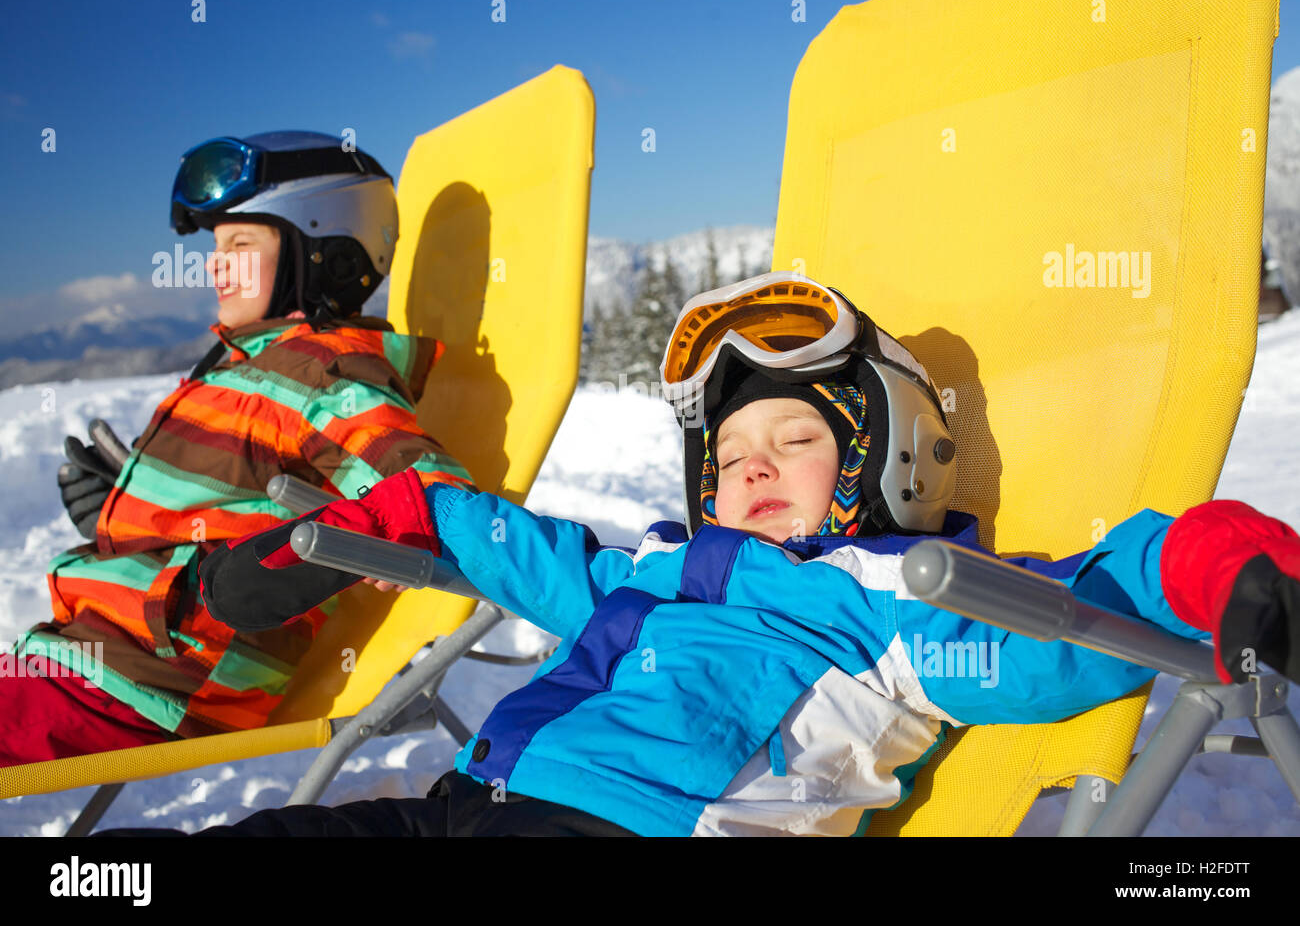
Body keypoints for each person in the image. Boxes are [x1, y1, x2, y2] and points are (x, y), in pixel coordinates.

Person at [124, 272, 1300, 836]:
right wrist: (356, 530)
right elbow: (491, 534)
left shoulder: (898, 599)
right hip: (458, 810)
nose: (751, 464)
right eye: (731, 448)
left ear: (884, 460)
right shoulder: (639, 571)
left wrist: (1226, 566)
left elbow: (1090, 611)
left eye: (794, 438)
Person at [0, 131, 474, 767]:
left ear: (323, 254)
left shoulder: (325, 372)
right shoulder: (245, 364)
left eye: (242, 244)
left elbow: (433, 498)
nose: (214, 263)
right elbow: (232, 498)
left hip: (146, 684)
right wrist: (126, 511)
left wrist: (284, 563)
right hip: (88, 654)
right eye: (216, 245)